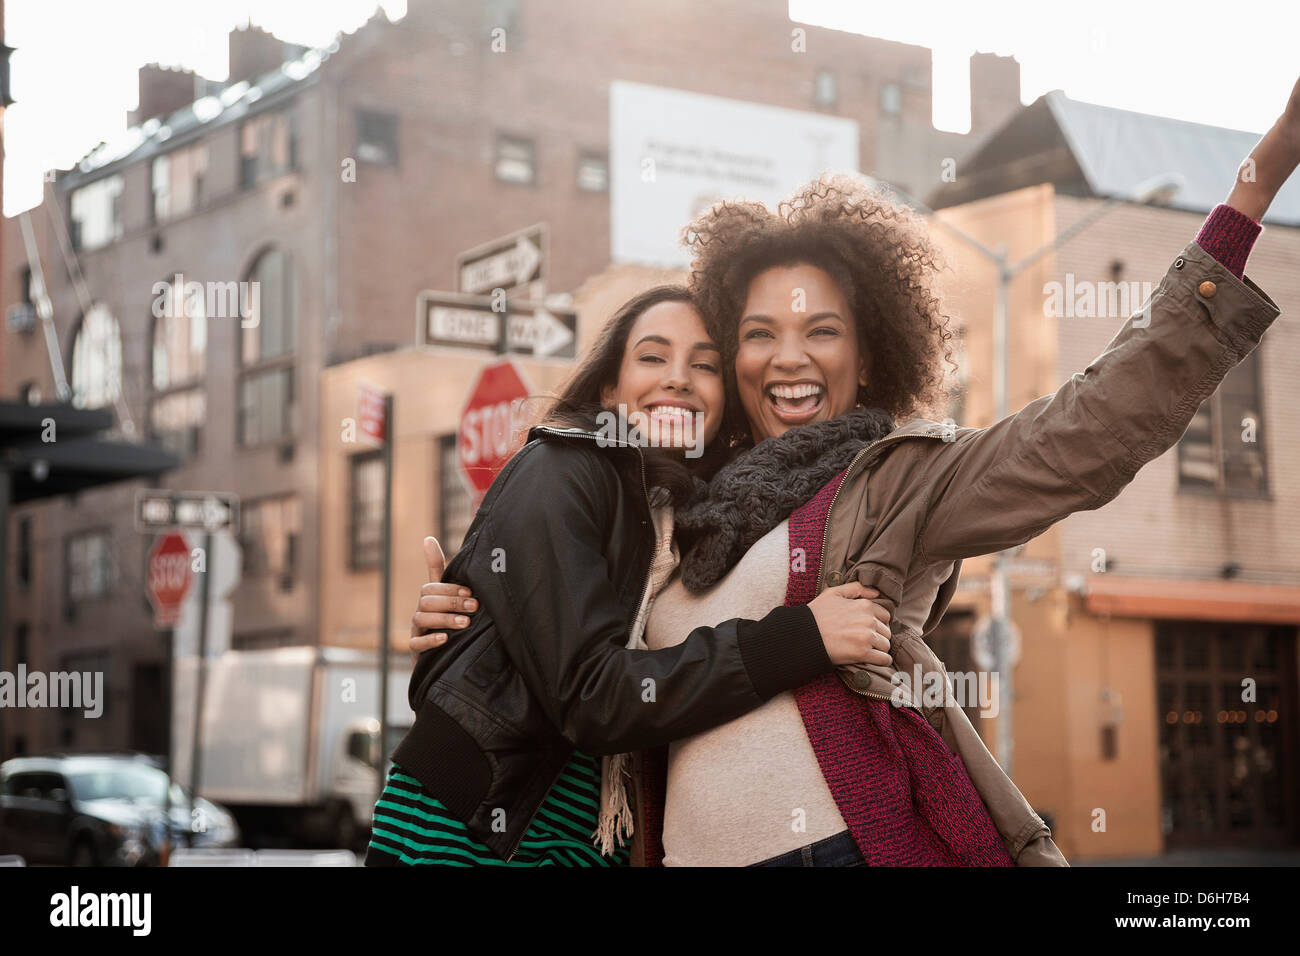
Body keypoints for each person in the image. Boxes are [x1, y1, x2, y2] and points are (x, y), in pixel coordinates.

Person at [423, 75, 1299, 866]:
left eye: (822, 330)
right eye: (759, 333)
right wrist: (466, 616)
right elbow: (591, 680)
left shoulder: (900, 480)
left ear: (872, 352)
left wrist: (1253, 188)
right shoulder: (679, 513)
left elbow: (1084, 434)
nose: (788, 357)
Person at [365, 285, 891, 866]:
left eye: (704, 365)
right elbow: (593, 696)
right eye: (652, 356)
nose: (677, 378)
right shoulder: (560, 470)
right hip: (467, 835)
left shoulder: (685, 516)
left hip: (591, 841)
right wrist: (801, 639)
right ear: (610, 388)